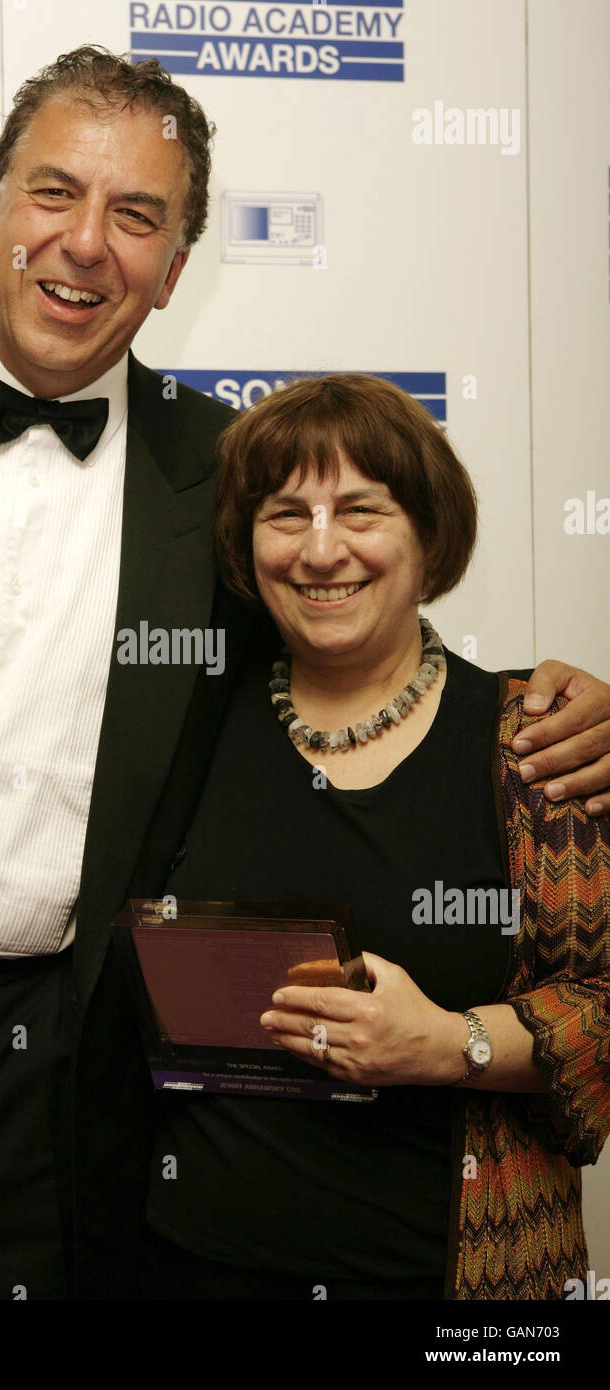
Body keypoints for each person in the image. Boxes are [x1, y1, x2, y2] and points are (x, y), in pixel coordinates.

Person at [0, 47, 608, 1302]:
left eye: (136, 216)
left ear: (175, 269)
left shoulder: (228, 474)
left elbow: (356, 640)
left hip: (66, 1066)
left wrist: (557, 698)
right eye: (53, 194)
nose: (86, 244)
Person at [128, 373, 610, 1300]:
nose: (320, 550)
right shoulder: (182, 725)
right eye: (283, 514)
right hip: (188, 1268)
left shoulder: (537, 744)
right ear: (243, 544)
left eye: (360, 509)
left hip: (460, 1285)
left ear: (428, 536)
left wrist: (447, 1042)